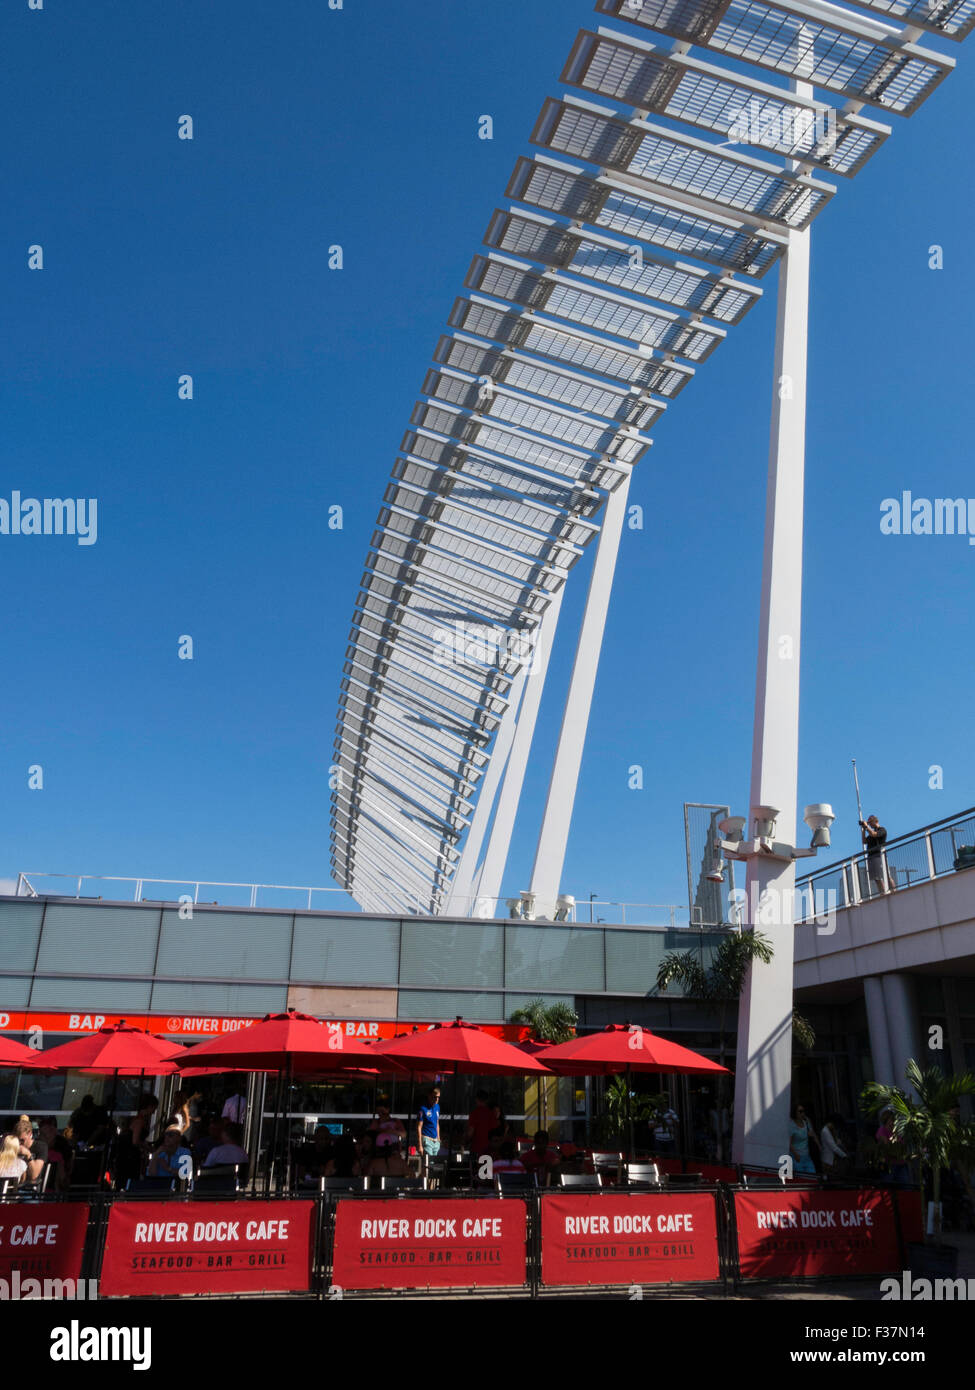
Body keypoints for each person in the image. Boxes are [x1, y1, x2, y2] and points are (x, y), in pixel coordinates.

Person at [115, 1095, 159, 1188]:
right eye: (154, 1109)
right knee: (129, 1180)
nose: (154, 1112)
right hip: (130, 1156)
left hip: (127, 1154)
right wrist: (148, 1148)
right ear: (149, 1107)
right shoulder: (140, 1120)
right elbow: (135, 1141)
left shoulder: (136, 1118)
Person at [860, 815, 893, 896]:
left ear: (875, 821)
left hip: (879, 855)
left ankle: (894, 891)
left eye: (870, 822)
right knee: (876, 878)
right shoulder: (870, 832)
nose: (869, 824)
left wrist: (867, 827)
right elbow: (864, 841)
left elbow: (874, 834)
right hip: (871, 856)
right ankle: (882, 893)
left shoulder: (882, 830)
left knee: (887, 876)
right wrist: (864, 829)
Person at [39, 1117, 73, 1192]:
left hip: (43, 1192)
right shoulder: (56, 1154)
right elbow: (63, 1179)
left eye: (42, 1135)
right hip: (52, 1193)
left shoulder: (56, 1154)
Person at [13, 1118, 47, 1184]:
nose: (19, 1143)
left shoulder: (41, 1146)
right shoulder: (12, 1145)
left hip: (29, 1188)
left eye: (22, 1140)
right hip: (12, 1186)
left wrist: (28, 1155)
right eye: (17, 1140)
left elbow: (34, 1175)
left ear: (30, 1134)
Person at [788, 1103, 819, 1175]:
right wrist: (796, 1155)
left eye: (803, 1111)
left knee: (812, 1176)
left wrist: (819, 1147)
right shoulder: (791, 1125)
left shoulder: (806, 1121)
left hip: (807, 1156)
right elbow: (789, 1143)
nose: (802, 1113)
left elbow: (813, 1134)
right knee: (802, 1178)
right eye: (800, 1111)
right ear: (794, 1113)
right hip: (797, 1157)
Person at [466, 1090, 495, 1158]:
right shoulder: (491, 1113)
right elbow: (494, 1131)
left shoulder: (475, 1113)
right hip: (488, 1148)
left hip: (476, 1148)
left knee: (476, 1167)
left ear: (477, 1099)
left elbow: (471, 1132)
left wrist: (465, 1141)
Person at [417, 1087, 441, 1162]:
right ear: (429, 1096)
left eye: (438, 1097)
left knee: (433, 1164)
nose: (437, 1099)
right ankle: (426, 1174)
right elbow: (419, 1127)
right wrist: (420, 1144)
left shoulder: (437, 1107)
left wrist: (438, 1138)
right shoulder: (423, 1109)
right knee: (428, 1163)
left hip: (435, 1141)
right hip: (427, 1140)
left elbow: (437, 1123)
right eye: (435, 1097)